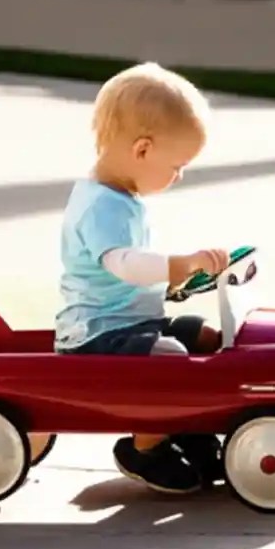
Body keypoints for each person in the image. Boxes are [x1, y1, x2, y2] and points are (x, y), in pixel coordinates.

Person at [53, 61, 231, 494]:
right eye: (177, 166)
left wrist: (176, 284)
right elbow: (125, 265)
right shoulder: (100, 205)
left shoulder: (122, 196)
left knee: (204, 337)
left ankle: (190, 426)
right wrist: (180, 263)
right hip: (98, 333)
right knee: (168, 358)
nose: (179, 176)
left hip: (133, 322)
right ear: (143, 150)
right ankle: (144, 448)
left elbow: (133, 276)